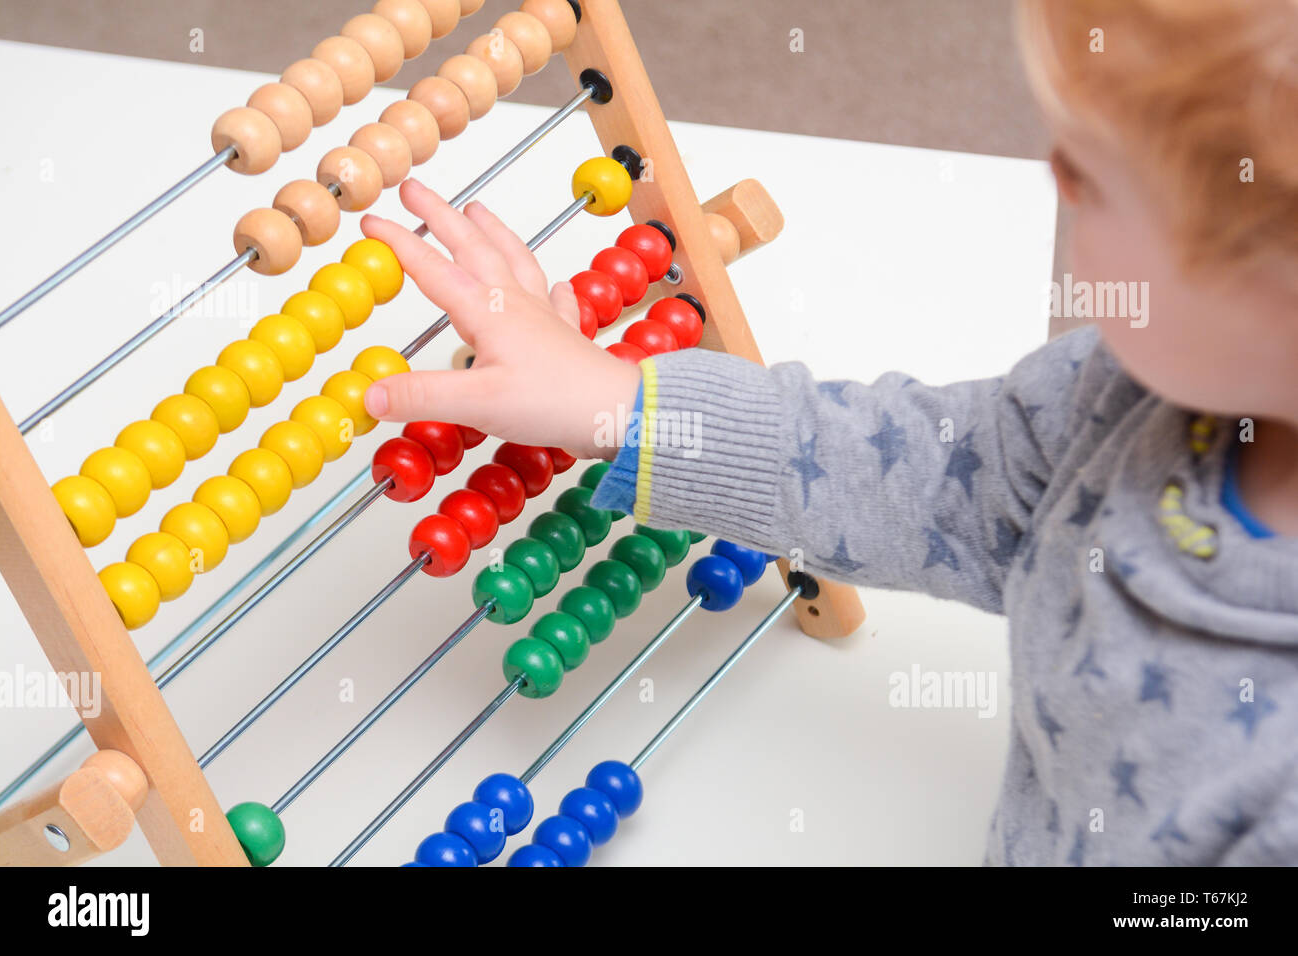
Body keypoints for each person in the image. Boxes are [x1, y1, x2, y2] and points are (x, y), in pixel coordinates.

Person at [358, 0, 1298, 864]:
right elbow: (929, 475)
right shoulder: (1120, 400)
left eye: (1092, 176)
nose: (1052, 171)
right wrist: (616, 404)